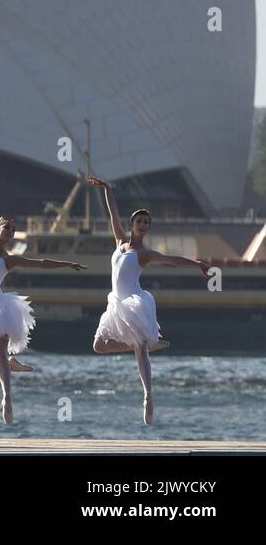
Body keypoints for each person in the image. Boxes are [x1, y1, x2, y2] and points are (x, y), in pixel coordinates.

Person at [0, 173, 87, 423]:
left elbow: (41, 263)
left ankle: (7, 399)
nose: (10, 232)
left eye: (13, 230)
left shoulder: (10, 259)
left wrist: (67, 263)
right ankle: (9, 363)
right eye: (7, 227)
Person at [88, 176, 211, 425]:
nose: (143, 224)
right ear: (131, 224)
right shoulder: (120, 242)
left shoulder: (144, 254)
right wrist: (107, 189)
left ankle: (148, 396)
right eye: (139, 221)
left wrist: (197, 264)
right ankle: (142, 343)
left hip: (134, 301)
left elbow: (172, 260)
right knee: (99, 346)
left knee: (140, 351)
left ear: (148, 228)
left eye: (146, 222)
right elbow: (112, 214)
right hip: (116, 303)